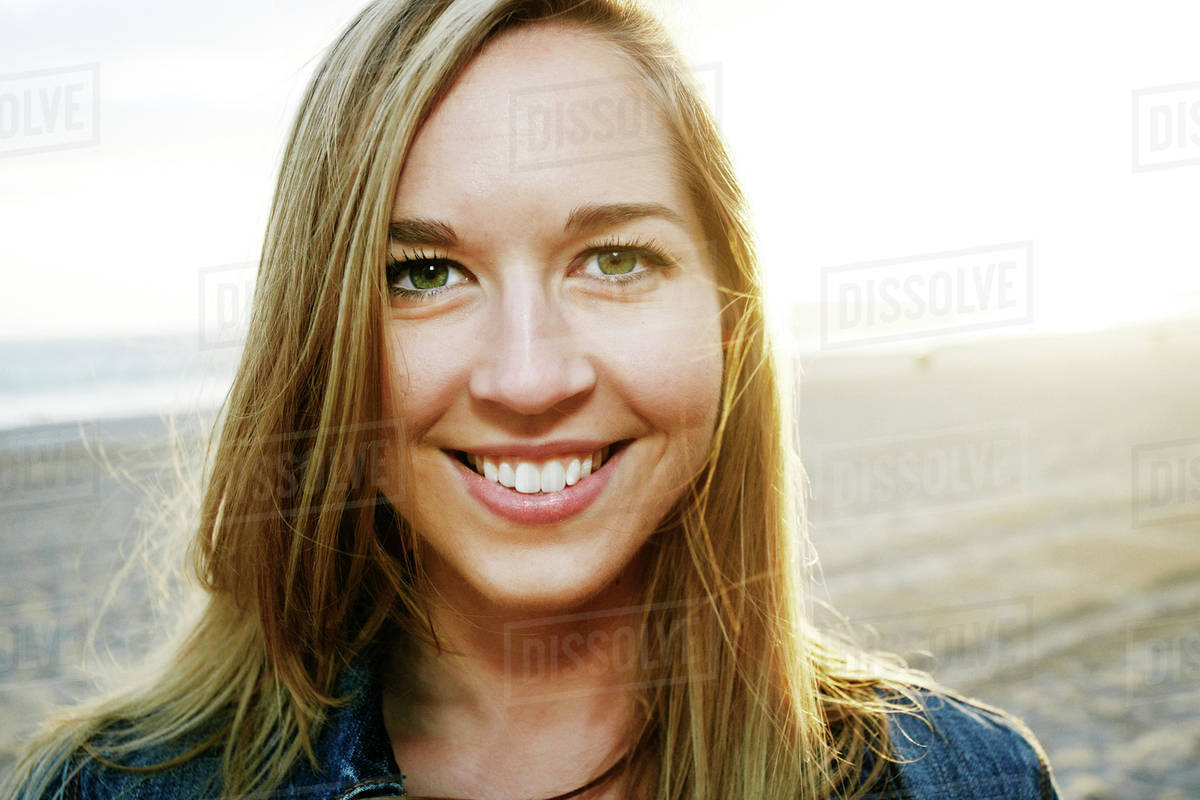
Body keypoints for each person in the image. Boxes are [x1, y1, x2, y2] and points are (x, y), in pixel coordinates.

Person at [3, 1, 1060, 798]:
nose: (528, 378)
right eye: (424, 274)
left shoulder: (964, 781)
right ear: (316, 343)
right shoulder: (107, 788)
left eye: (616, 258)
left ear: (729, 321)